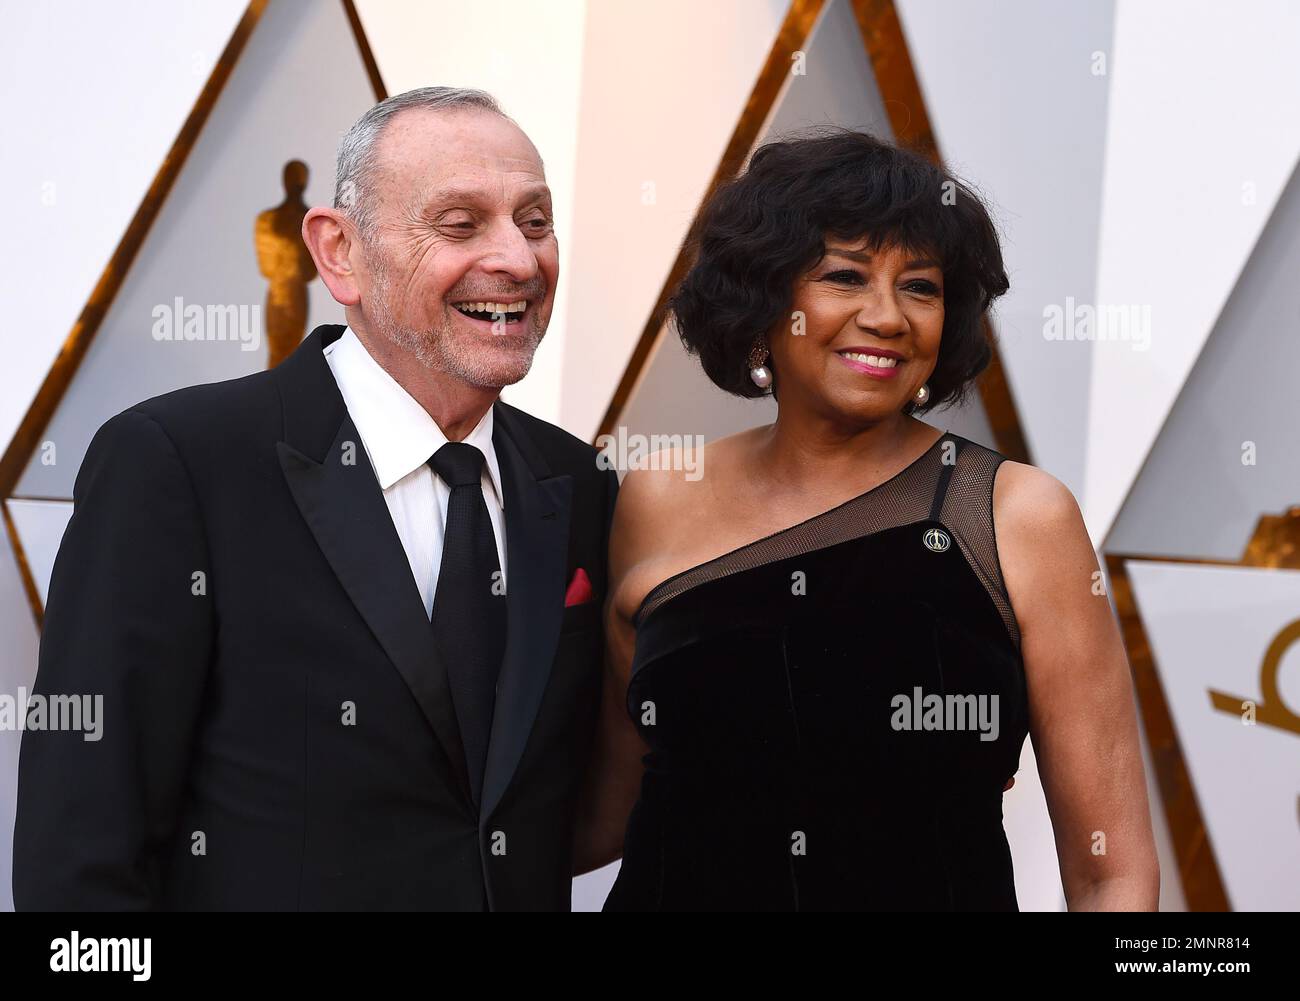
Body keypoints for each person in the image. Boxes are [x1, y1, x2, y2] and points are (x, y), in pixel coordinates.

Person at [13, 87, 616, 911]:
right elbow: (79, 858)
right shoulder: (179, 465)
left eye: (536, 220)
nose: (517, 258)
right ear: (339, 254)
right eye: (461, 224)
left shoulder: (577, 485)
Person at [586, 129, 1160, 910]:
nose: (888, 317)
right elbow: (601, 816)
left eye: (920, 287)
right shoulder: (656, 495)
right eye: (846, 276)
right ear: (762, 300)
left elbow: (1111, 874)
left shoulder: (1017, 516)